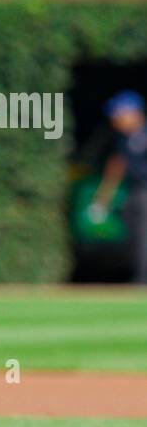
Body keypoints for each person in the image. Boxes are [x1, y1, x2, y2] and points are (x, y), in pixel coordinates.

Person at [89, 92, 147, 285]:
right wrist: (102, 199)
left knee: (144, 235)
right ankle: (140, 278)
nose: (115, 119)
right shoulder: (123, 140)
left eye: (119, 114)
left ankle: (143, 281)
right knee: (135, 236)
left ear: (134, 113)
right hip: (135, 192)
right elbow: (116, 168)